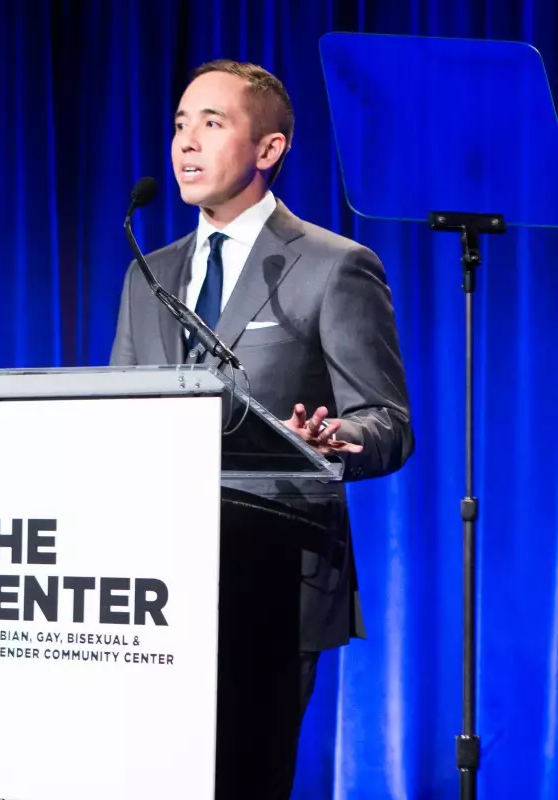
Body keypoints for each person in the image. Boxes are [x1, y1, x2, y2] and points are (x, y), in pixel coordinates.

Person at [109, 60, 413, 798]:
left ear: (268, 150)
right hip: (151, 588)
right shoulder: (148, 272)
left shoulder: (333, 266)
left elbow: (389, 423)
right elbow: (117, 416)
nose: (186, 143)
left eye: (212, 124)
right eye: (180, 124)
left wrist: (337, 437)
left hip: (274, 574)